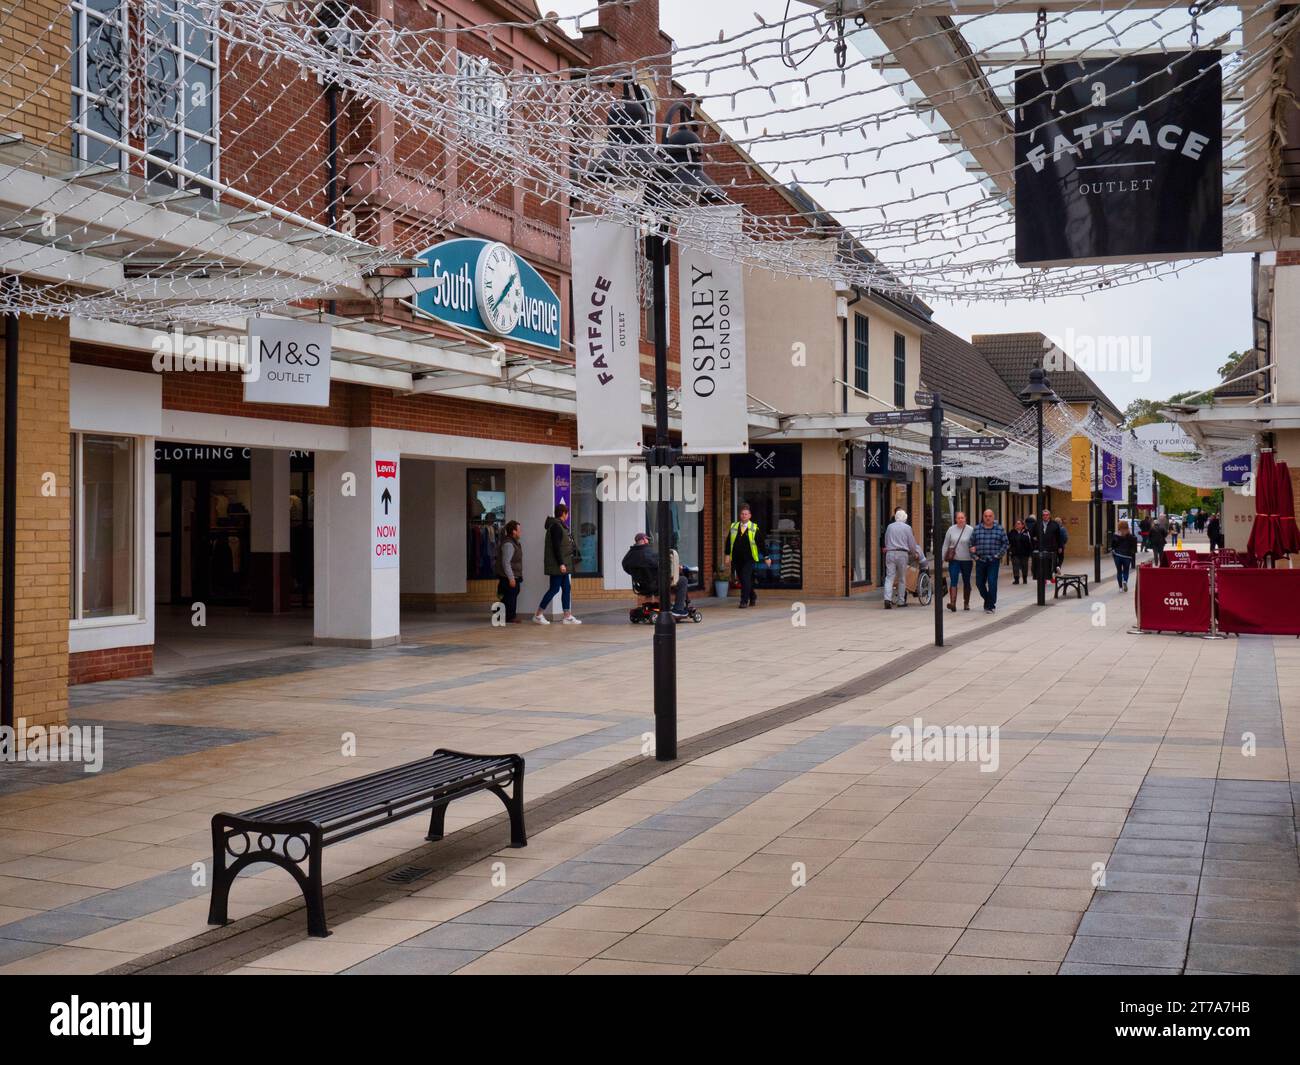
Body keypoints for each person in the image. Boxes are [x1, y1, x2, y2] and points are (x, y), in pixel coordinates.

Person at [534, 503, 582, 625]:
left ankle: (567, 616)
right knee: (554, 589)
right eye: (567, 513)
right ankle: (538, 614)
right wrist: (561, 563)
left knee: (566, 588)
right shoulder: (556, 527)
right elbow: (556, 547)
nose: (568, 516)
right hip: (559, 565)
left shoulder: (561, 526)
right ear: (563, 513)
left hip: (563, 564)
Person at [723, 503, 770, 609]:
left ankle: (744, 601)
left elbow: (761, 544)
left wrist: (766, 557)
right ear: (740, 515)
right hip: (736, 558)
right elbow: (729, 542)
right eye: (742, 514)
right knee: (744, 579)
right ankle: (752, 595)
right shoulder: (734, 526)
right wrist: (727, 555)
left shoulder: (754, 528)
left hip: (749, 558)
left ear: (750, 516)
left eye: (746, 514)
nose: (744, 516)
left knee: (745, 578)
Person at [881, 508, 923, 609]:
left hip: (890, 552)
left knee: (889, 577)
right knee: (902, 578)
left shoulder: (890, 527)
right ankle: (901, 601)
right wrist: (914, 553)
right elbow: (911, 543)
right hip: (902, 553)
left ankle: (887, 599)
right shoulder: (907, 528)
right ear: (905, 518)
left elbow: (886, 540)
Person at [969, 508, 1009, 613]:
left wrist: (998, 555)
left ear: (993, 517)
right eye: (986, 516)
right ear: (983, 517)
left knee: (992, 582)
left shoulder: (999, 529)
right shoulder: (977, 529)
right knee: (979, 583)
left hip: (993, 561)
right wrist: (975, 556)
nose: (987, 518)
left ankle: (991, 605)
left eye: (990, 516)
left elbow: (1005, 544)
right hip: (980, 560)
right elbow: (970, 544)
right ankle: (988, 600)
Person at [942, 510, 974, 612]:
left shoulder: (970, 530)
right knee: (953, 580)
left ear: (965, 519)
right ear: (955, 519)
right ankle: (953, 603)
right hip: (954, 560)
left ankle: (966, 603)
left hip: (967, 560)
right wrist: (942, 559)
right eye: (958, 518)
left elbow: (974, 543)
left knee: (966, 581)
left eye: (962, 518)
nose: (960, 520)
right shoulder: (951, 530)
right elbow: (945, 545)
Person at [494, 519, 523, 623]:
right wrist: (511, 578)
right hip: (509, 576)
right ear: (514, 531)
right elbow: (506, 562)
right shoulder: (509, 544)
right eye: (519, 529)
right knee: (510, 596)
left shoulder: (514, 543)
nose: (520, 532)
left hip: (513, 575)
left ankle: (506, 616)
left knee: (510, 596)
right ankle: (508, 617)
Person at [1037, 509, 1067, 578]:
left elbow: (1058, 536)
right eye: (1044, 515)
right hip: (1042, 547)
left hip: (1052, 547)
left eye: (1047, 515)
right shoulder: (1039, 524)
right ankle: (1047, 576)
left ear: (1049, 516)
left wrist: (1060, 546)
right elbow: (1034, 534)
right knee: (1044, 562)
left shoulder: (1054, 524)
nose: (1045, 516)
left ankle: (1052, 574)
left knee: (1052, 561)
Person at [1112, 518, 1137, 591]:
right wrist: (1132, 554)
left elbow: (1113, 546)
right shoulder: (1130, 536)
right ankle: (1125, 581)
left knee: (1119, 571)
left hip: (1118, 556)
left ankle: (1120, 588)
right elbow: (1133, 547)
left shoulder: (1116, 535)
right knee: (1126, 570)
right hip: (1127, 556)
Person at [1008, 518, 1033, 585]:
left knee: (1024, 566)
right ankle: (1016, 579)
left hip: (1024, 553)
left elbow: (1030, 542)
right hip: (1015, 553)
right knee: (1015, 566)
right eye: (1016, 524)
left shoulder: (1026, 532)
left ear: (1022, 525)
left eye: (1019, 524)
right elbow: (1008, 542)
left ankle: (1025, 579)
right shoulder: (1011, 532)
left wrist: (1030, 551)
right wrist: (1010, 550)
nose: (1017, 525)